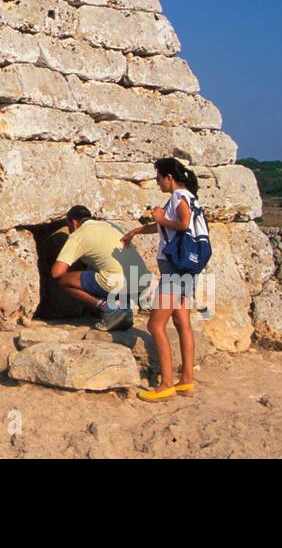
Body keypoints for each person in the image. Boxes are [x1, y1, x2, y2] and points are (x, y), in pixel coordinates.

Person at [121, 157, 203, 402]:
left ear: (169, 178)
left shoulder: (178, 197)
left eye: (158, 178)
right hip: (187, 269)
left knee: (155, 325)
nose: (157, 183)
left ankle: (166, 384)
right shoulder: (190, 196)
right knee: (182, 323)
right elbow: (172, 226)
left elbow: (183, 223)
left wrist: (158, 218)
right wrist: (138, 230)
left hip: (173, 271)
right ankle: (186, 381)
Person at [49, 206, 134, 332]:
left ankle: (110, 309)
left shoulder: (78, 235)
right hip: (138, 280)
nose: (69, 230)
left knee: (63, 281)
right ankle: (125, 310)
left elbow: (56, 272)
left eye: (69, 226)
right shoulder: (108, 226)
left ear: (74, 222)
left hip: (117, 282)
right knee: (106, 268)